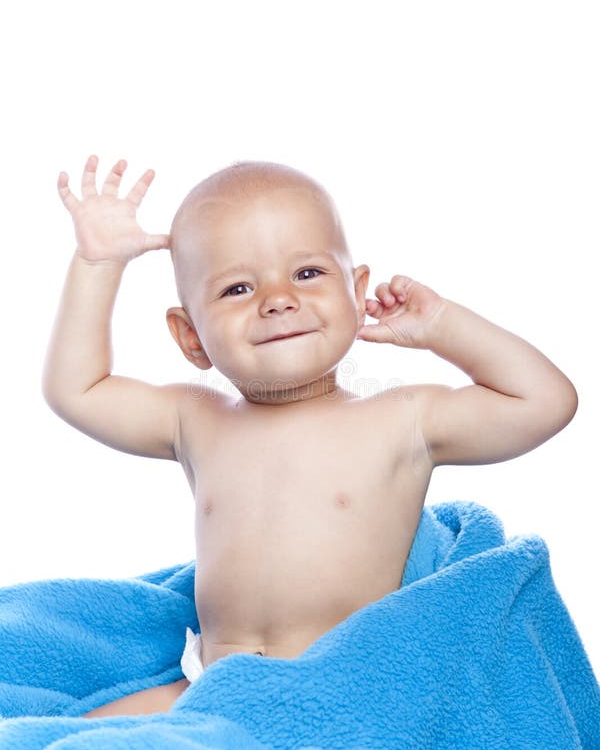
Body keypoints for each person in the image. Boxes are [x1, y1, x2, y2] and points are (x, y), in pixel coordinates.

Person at [42, 154, 578, 717]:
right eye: (237, 288)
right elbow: (78, 390)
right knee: (69, 742)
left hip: (341, 695)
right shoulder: (194, 419)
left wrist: (443, 325)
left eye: (306, 274)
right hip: (212, 686)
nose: (277, 299)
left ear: (356, 292)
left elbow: (545, 403)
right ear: (191, 335)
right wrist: (97, 265)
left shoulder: (402, 421)